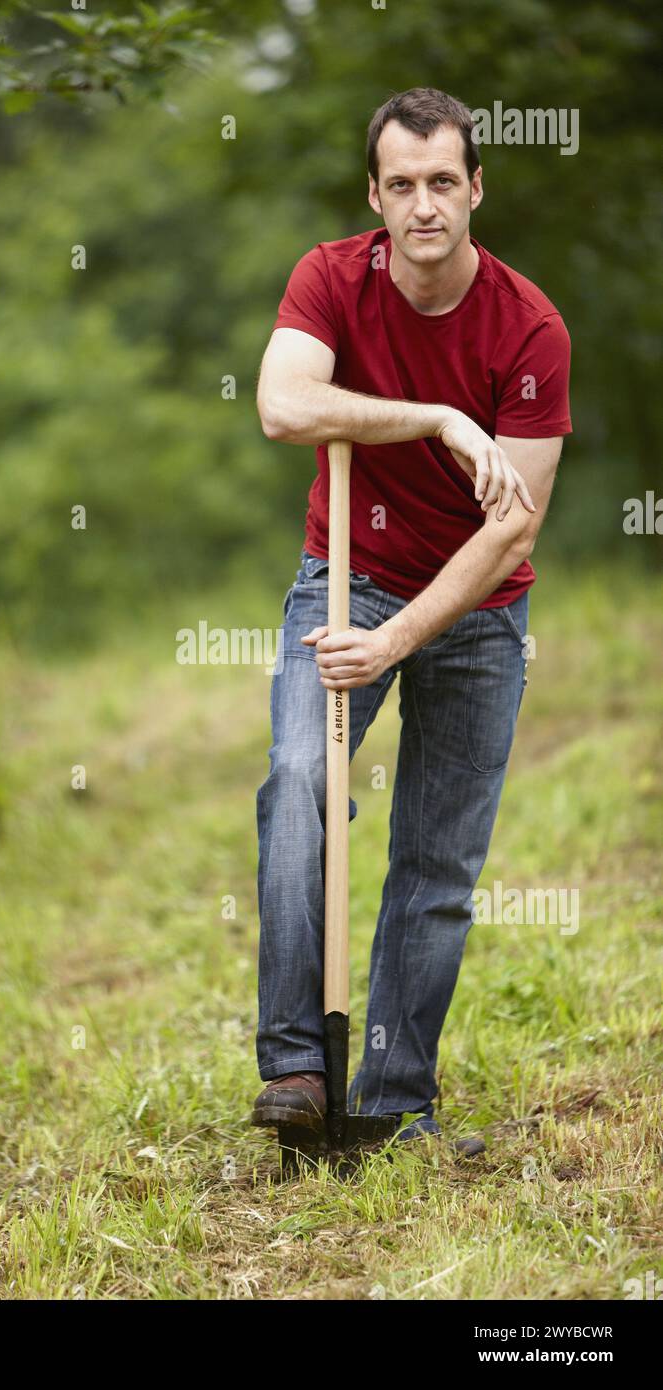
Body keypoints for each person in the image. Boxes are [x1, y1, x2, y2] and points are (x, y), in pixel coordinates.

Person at [251, 87, 572, 1153]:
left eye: (443, 181)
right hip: (347, 575)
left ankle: (389, 1103)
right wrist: (437, 416)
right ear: (375, 197)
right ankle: (298, 1067)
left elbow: (509, 535)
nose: (423, 204)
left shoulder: (529, 328)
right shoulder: (330, 279)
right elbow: (284, 406)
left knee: (434, 866)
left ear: (475, 187)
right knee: (299, 782)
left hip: (476, 612)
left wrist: (396, 642)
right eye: (401, 184)